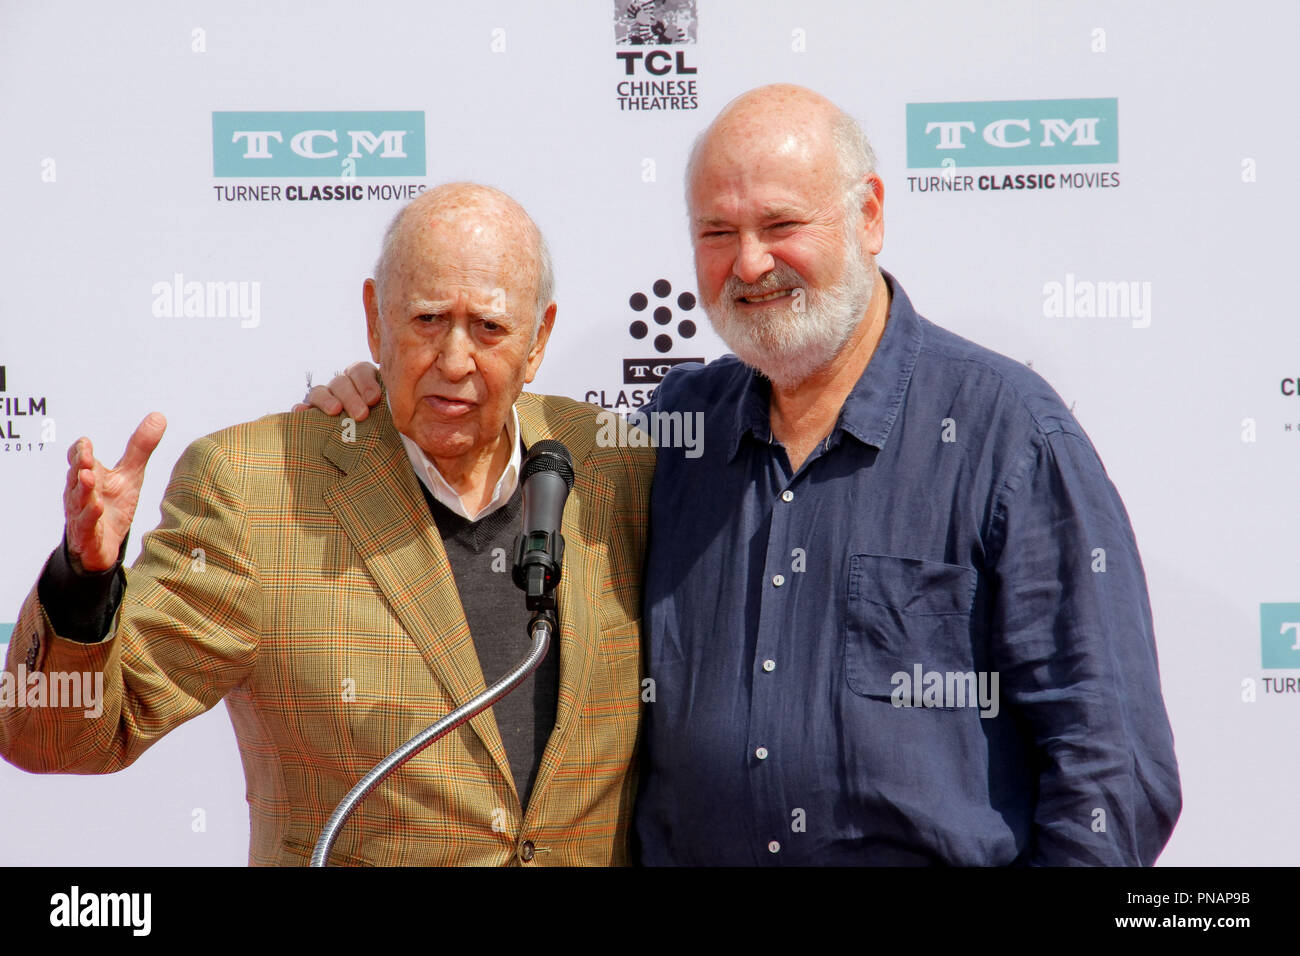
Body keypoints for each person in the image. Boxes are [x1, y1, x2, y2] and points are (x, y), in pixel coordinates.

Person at [308, 85, 1182, 865]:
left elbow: (1112, 769)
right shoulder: (671, 438)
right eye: (718, 233)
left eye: (782, 224)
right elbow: (494, 436)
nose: (750, 263)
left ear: (869, 215)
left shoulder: (1008, 435)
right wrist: (386, 401)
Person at [0, 183, 654, 866]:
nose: (456, 360)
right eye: (427, 320)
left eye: (490, 328)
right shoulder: (256, 490)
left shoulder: (616, 465)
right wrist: (84, 587)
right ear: (374, 318)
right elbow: (51, 741)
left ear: (540, 338)